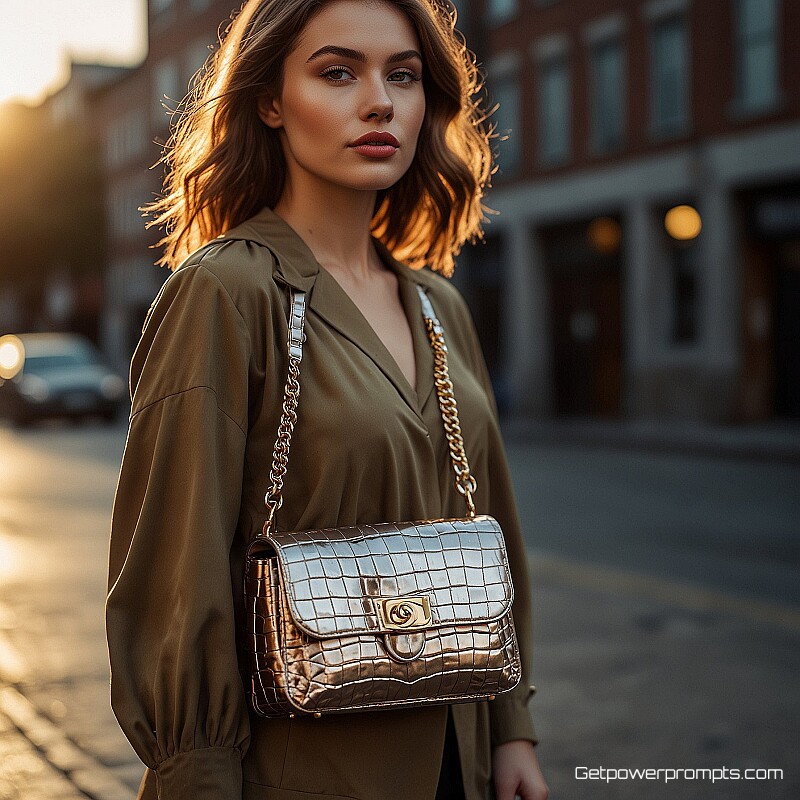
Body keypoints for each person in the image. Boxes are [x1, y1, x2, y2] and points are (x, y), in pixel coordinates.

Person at [106, 1, 549, 799]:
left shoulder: (439, 306)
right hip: (304, 774)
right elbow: (176, 577)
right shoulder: (225, 291)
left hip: (465, 760)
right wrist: (196, 775)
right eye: (338, 72)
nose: (379, 102)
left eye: (403, 76)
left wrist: (510, 725)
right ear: (271, 102)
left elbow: (492, 527)